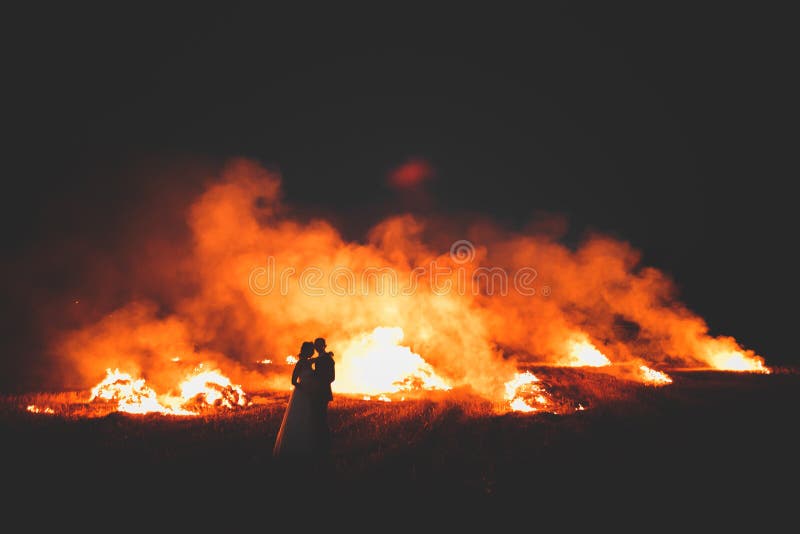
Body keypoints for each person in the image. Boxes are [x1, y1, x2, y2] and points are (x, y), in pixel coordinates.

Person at [272, 341, 317, 459]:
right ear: (306, 351)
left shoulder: (308, 362)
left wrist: (327, 355)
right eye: (311, 350)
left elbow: (318, 360)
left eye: (313, 350)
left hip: (308, 393)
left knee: (306, 417)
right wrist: (303, 388)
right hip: (301, 393)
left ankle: (306, 444)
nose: (313, 352)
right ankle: (293, 446)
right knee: (297, 417)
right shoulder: (300, 363)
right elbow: (293, 381)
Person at [310, 337, 335, 455]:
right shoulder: (320, 358)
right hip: (316, 391)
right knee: (317, 417)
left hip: (323, 391)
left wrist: (319, 379)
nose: (317, 348)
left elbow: (332, 377)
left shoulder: (328, 359)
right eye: (316, 346)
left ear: (324, 346)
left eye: (319, 345)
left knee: (322, 417)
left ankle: (325, 443)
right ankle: (320, 441)